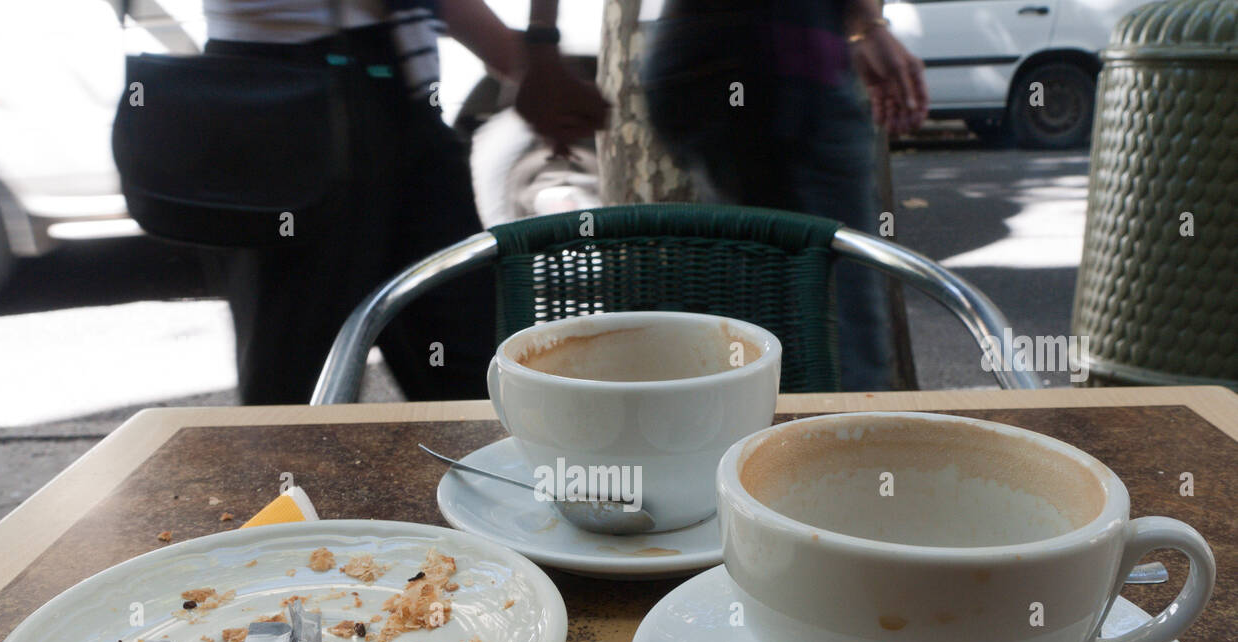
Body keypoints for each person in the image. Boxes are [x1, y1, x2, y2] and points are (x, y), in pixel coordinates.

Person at [200, 0, 602, 404]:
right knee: (295, 390)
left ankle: (476, 461)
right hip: (289, 92)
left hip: (402, 98)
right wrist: (536, 54)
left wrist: (529, 61)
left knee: (473, 376)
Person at [641, 0, 929, 391]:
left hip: (699, 55)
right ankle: (827, 437)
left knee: (770, 313)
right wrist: (866, 22)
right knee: (836, 328)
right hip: (782, 63)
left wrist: (541, 40)